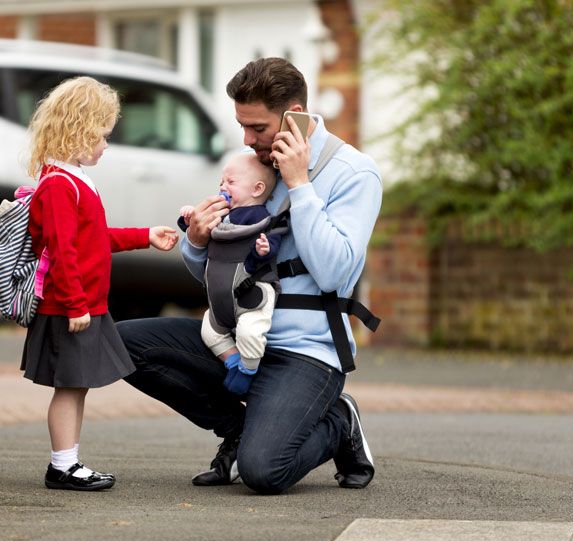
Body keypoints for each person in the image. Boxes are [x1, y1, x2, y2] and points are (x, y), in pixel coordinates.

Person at [119, 58, 382, 494]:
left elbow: (335, 273)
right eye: (242, 126)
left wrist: (300, 186)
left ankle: (339, 422)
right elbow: (218, 273)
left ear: (293, 113)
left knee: (264, 472)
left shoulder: (354, 173)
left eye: (257, 128)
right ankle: (240, 430)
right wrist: (199, 243)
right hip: (234, 336)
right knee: (122, 345)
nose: (247, 139)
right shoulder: (251, 166)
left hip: (306, 351)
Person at [20, 76, 178, 491]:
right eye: (102, 136)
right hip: (69, 307)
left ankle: (68, 461)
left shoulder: (73, 179)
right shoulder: (58, 185)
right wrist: (75, 305)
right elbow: (61, 249)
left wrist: (145, 235)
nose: (107, 145)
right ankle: (63, 465)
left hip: (83, 303)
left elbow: (94, 238)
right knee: (70, 387)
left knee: (77, 386)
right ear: (79, 130)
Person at [177, 153, 281, 395]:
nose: (223, 187)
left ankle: (248, 370)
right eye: (221, 182)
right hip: (221, 303)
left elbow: (271, 242)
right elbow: (196, 228)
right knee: (209, 332)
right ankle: (233, 361)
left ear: (257, 189)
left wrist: (264, 249)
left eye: (231, 182)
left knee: (250, 333)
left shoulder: (258, 216)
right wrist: (190, 217)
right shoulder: (225, 213)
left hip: (251, 297)